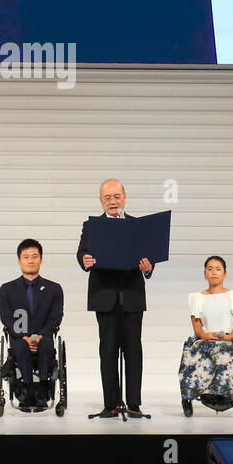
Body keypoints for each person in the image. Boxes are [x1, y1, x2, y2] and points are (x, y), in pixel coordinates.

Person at [77, 179, 154, 418]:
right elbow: (82, 252)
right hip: (106, 297)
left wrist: (148, 267)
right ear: (101, 201)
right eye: (107, 197)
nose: (113, 201)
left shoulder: (137, 225)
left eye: (117, 196)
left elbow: (148, 258)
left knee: (133, 352)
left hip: (131, 297)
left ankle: (133, 404)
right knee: (108, 352)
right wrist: (85, 260)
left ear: (125, 198)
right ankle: (110, 404)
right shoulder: (92, 226)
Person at [0, 238, 64, 411]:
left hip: (44, 335)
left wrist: (40, 335)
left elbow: (55, 317)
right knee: (19, 346)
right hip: (20, 336)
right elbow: (6, 318)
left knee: (46, 345)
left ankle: (42, 388)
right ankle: (25, 389)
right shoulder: (7, 289)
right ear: (19, 260)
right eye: (26, 257)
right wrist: (25, 337)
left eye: (35, 256)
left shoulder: (54, 289)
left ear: (41, 259)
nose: (31, 260)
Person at [178, 256, 233, 417]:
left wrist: (228, 337)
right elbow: (196, 325)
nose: (214, 272)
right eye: (210, 269)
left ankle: (223, 394)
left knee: (225, 351)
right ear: (205, 273)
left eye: (218, 269)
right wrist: (204, 335)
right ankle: (190, 396)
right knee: (192, 352)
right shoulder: (197, 298)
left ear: (225, 273)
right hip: (205, 338)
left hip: (229, 338)